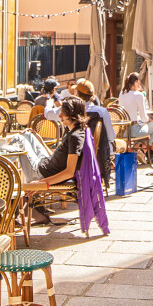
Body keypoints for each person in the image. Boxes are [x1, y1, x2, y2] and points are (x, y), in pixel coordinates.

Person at [34, 96, 112, 237]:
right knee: (29, 136)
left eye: (63, 113)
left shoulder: (75, 137)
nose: (60, 116)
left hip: (44, 172)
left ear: (72, 115)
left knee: (19, 142)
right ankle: (28, 209)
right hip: (47, 163)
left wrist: (40, 184)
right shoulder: (79, 131)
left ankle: (20, 209)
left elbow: (69, 172)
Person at [118, 73, 152, 140]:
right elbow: (143, 117)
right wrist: (149, 120)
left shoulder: (121, 94)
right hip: (133, 131)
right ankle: (149, 145)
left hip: (123, 131)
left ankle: (141, 145)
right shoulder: (139, 95)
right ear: (136, 82)